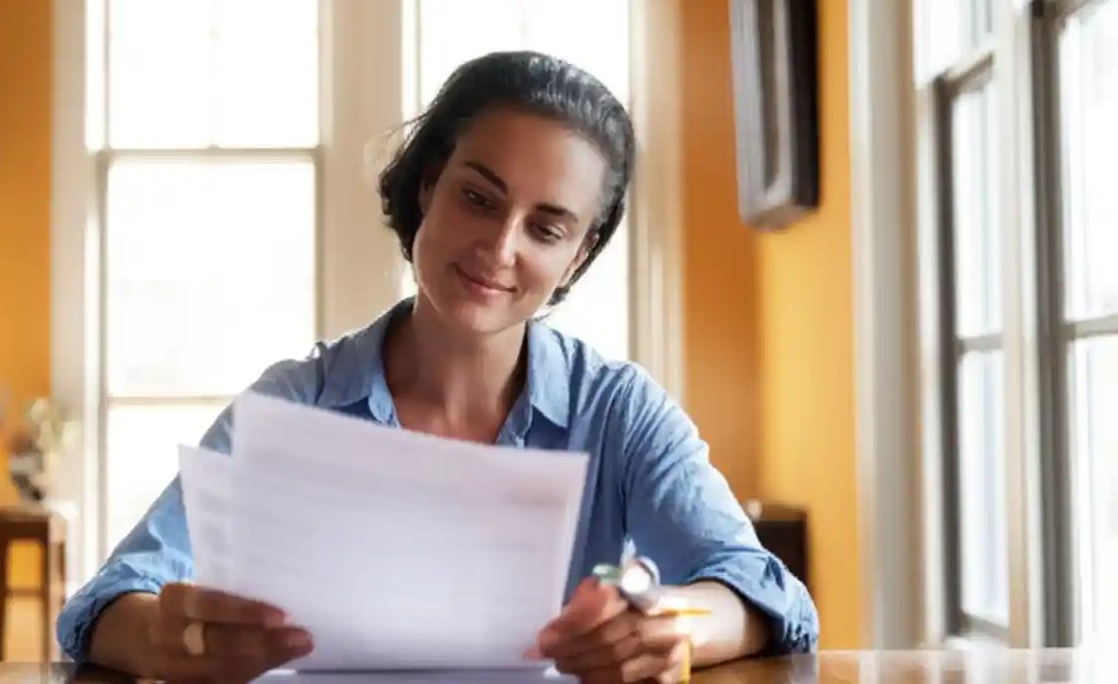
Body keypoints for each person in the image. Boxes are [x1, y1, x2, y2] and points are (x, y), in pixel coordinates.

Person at [56, 50, 818, 683]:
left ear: (577, 256)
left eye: (546, 227)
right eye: (478, 199)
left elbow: (764, 593)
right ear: (429, 187)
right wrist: (171, 638)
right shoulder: (297, 401)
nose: (499, 248)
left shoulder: (619, 412)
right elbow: (106, 602)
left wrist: (673, 627)